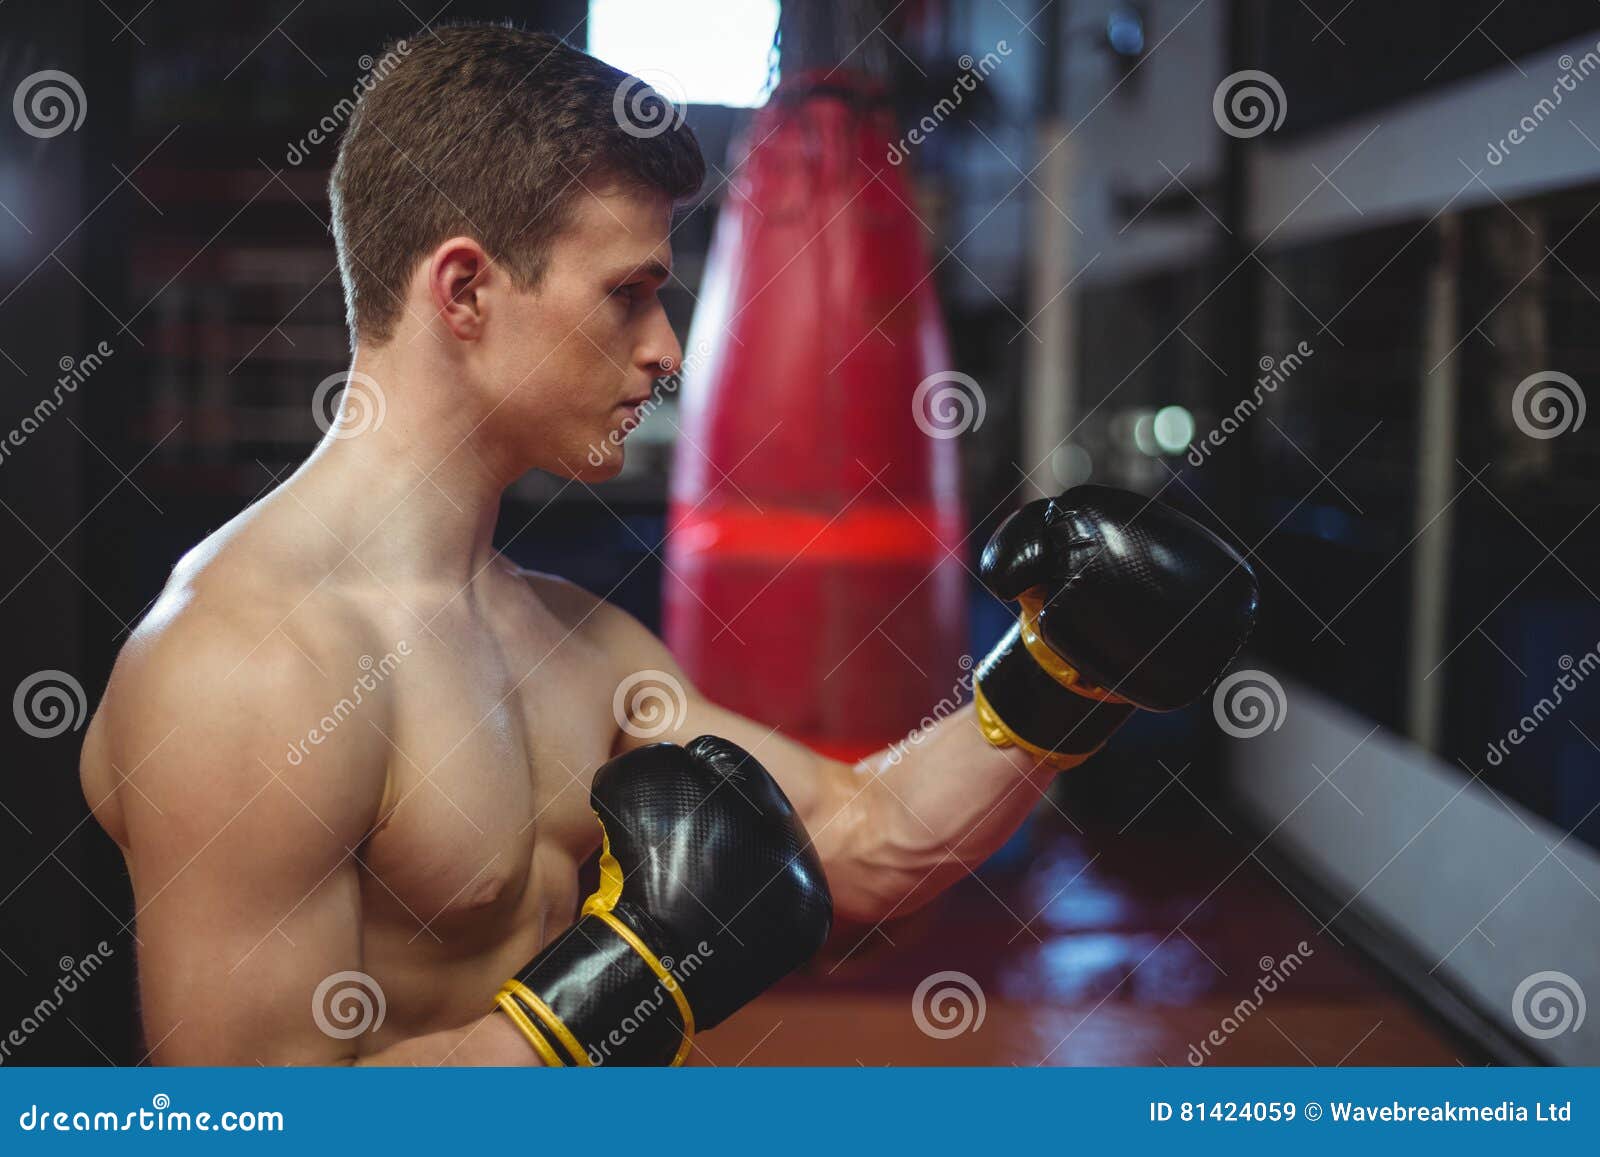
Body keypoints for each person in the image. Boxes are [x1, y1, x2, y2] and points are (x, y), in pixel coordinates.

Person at [77, 23, 1257, 1066]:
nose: (668, 350)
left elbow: (863, 837)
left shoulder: (576, 642)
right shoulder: (250, 665)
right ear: (465, 290)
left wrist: (1061, 671)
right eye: (628, 293)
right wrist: (615, 994)